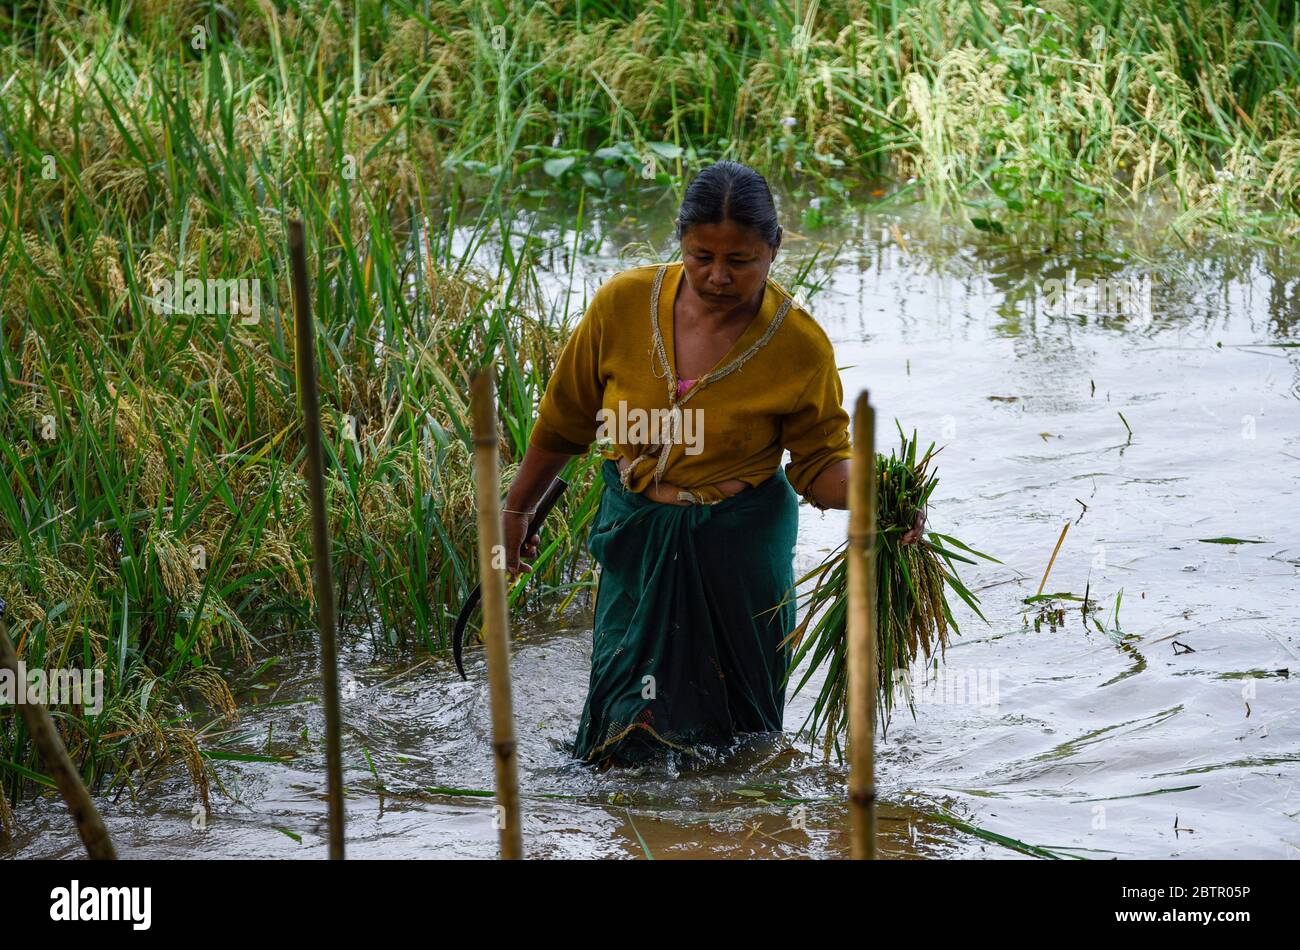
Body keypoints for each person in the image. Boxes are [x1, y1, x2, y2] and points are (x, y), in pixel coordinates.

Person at [501, 160, 923, 767]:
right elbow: (565, 418)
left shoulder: (797, 344)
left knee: (738, 737)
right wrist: (517, 509)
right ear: (681, 241)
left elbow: (821, 464)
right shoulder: (623, 304)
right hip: (639, 534)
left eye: (740, 261)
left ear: (774, 250)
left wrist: (881, 495)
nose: (719, 276)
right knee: (624, 725)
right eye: (702, 256)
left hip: (738, 545)